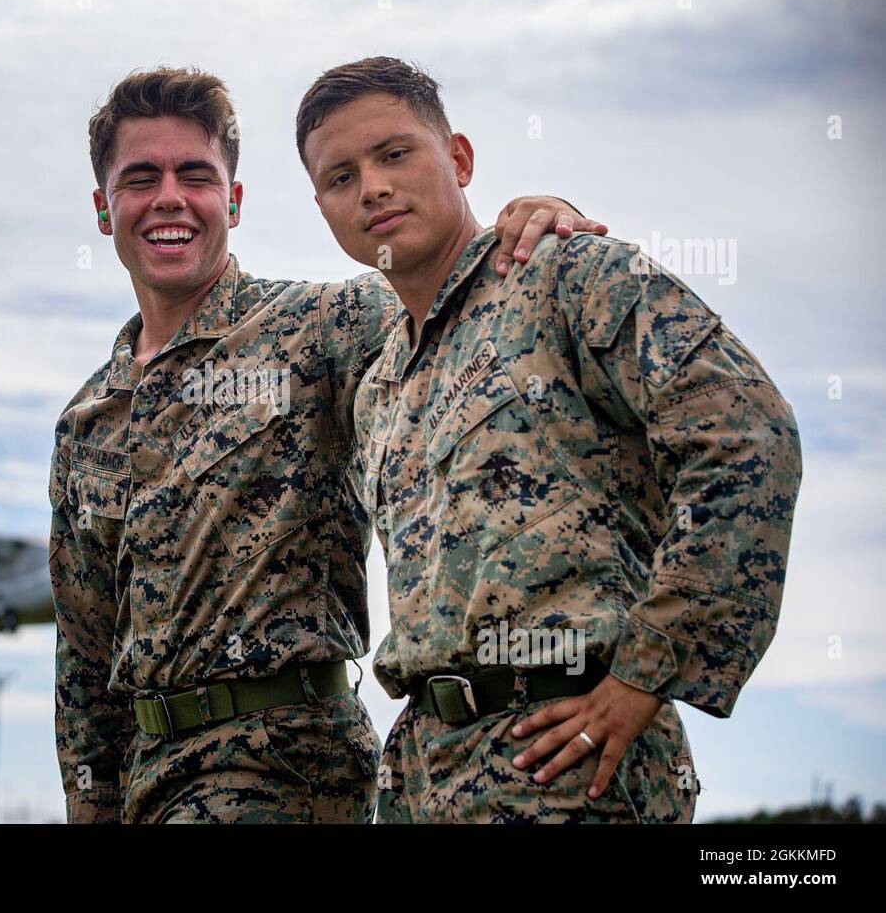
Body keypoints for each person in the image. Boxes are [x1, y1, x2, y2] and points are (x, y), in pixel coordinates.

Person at [49, 67, 600, 823]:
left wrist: (549, 215)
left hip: (281, 768)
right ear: (104, 210)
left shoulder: (322, 328)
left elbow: (460, 299)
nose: (170, 198)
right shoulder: (87, 420)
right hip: (150, 787)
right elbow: (84, 661)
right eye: (141, 179)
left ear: (233, 202)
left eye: (196, 177)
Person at [296, 56, 802, 823]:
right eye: (340, 177)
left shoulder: (566, 277)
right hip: (425, 780)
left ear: (459, 159)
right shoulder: (381, 387)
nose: (372, 187)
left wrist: (646, 675)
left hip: (568, 771)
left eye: (395, 154)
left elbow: (746, 436)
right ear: (324, 207)